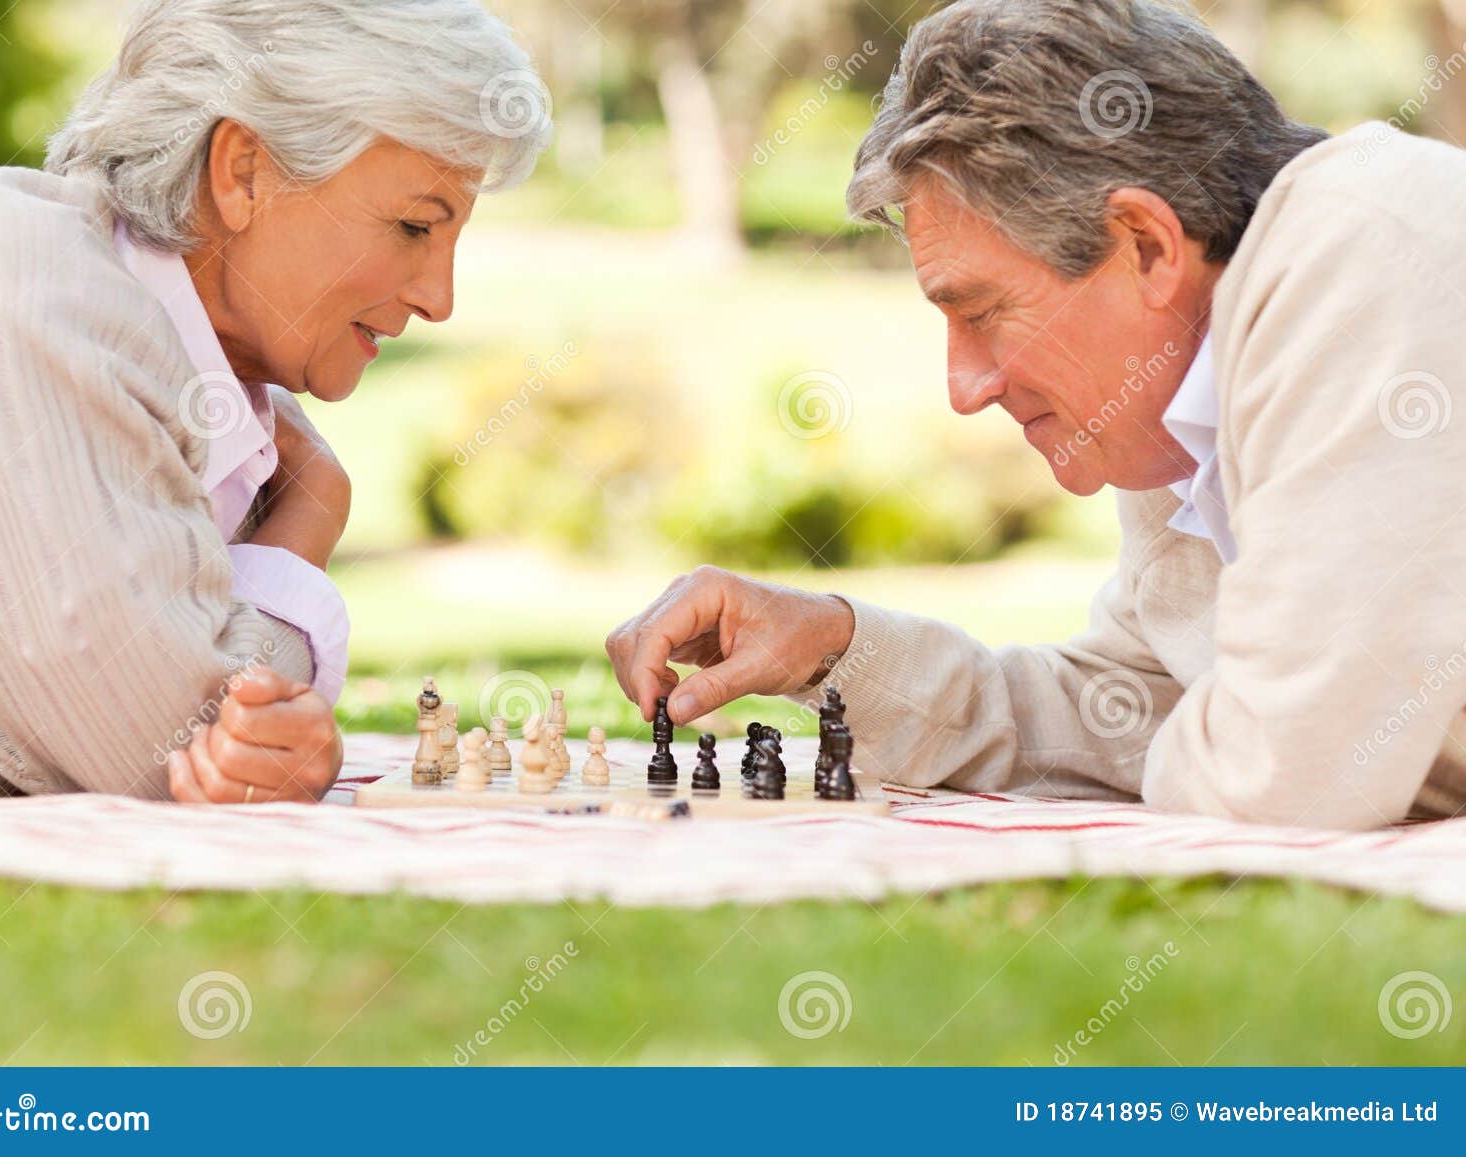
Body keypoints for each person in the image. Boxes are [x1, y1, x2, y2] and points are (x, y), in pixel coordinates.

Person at [606, 0, 1466, 830]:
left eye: (982, 312)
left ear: (1146, 245)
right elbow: (1128, 711)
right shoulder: (1183, 380)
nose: (965, 387)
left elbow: (1286, 777)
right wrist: (832, 645)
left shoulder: (1360, 260)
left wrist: (1232, 734)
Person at [0, 0, 548, 801]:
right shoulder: (23, 293)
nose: (441, 299)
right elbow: (172, 749)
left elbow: (186, 734)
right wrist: (301, 533)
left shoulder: (214, 395)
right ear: (242, 171)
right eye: (411, 227)